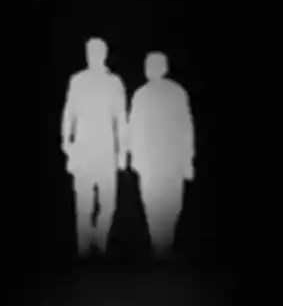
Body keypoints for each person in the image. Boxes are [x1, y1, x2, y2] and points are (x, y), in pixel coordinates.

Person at [60, 37, 128, 256]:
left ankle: (98, 240)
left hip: (106, 149)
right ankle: (85, 246)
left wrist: (122, 152)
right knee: (84, 201)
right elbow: (69, 114)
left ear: (104, 54)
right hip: (85, 149)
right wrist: (67, 143)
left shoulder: (114, 82)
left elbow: (121, 118)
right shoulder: (78, 81)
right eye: (91, 52)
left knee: (107, 202)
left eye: (97, 52)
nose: (94, 56)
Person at [127, 51, 194, 258]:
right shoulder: (142, 94)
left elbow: (185, 128)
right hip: (152, 160)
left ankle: (164, 244)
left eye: (155, 65)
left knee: (170, 204)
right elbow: (134, 127)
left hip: (169, 159)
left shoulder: (176, 93)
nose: (151, 69)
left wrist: (187, 160)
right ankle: (160, 246)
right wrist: (135, 155)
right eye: (149, 65)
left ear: (163, 68)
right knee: (155, 203)